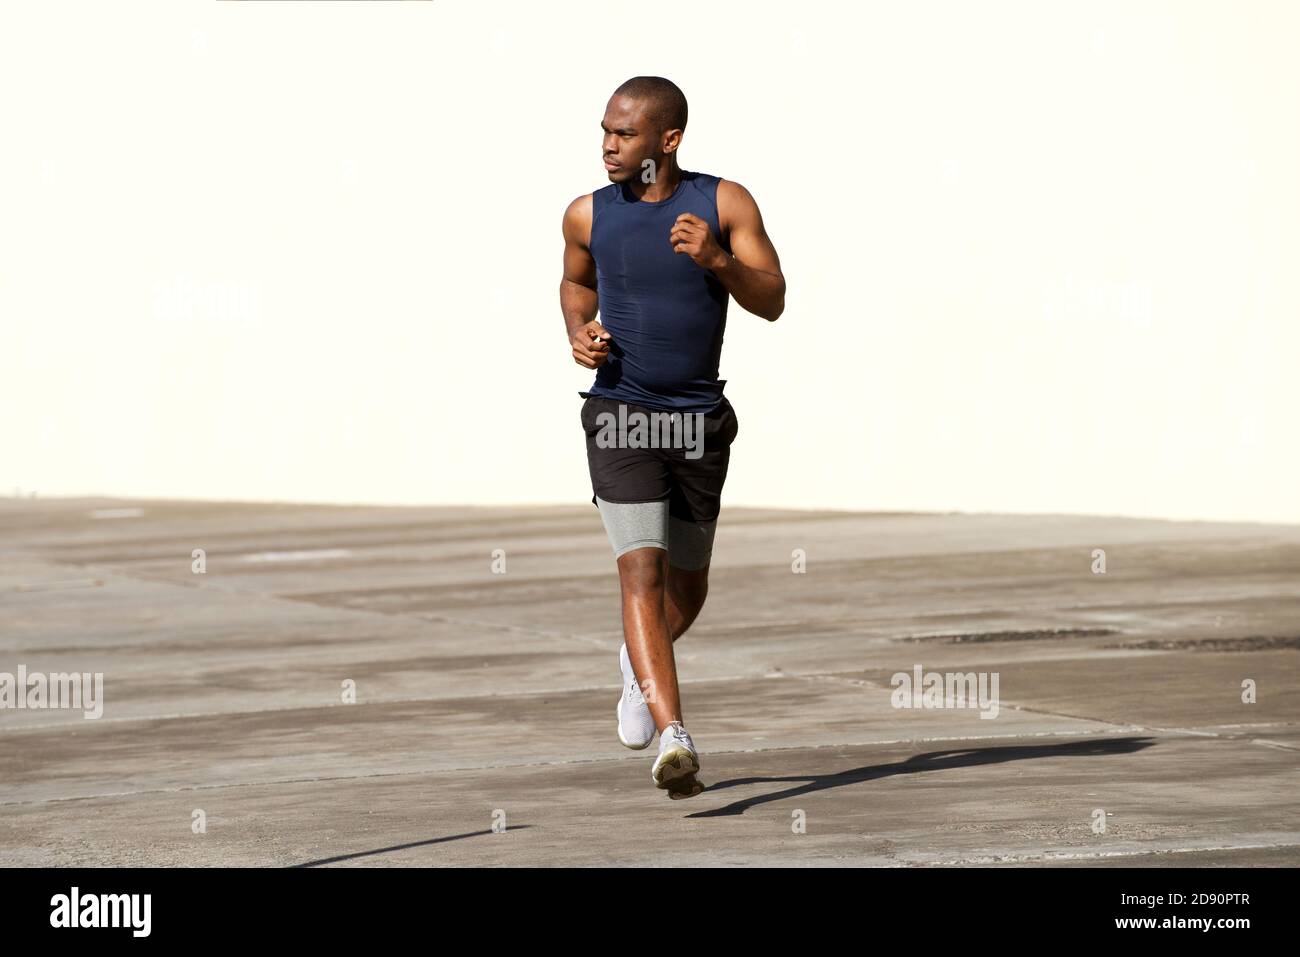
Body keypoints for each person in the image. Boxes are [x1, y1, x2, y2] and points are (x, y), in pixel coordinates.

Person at [559, 76, 785, 798]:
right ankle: (674, 734)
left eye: (623, 134)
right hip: (620, 414)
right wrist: (578, 331)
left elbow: (774, 298)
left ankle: (636, 665)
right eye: (604, 131)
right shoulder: (586, 215)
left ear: (669, 140)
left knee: (687, 585)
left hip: (697, 421)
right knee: (641, 572)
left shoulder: (723, 203)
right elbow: (574, 284)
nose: (608, 146)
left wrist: (718, 261)